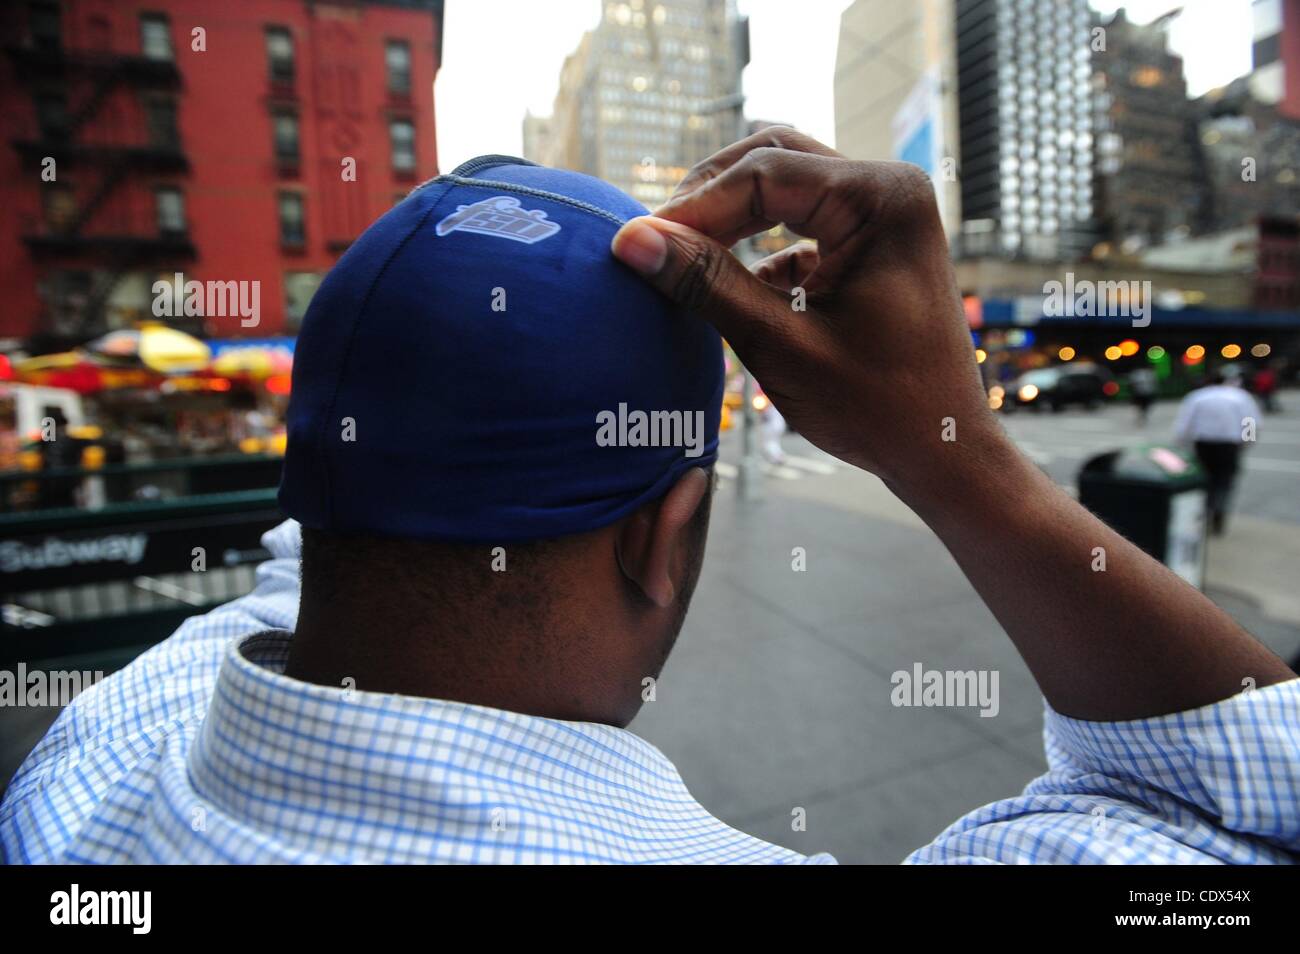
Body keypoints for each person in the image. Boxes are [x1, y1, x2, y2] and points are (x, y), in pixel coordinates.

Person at [2, 135, 1297, 865]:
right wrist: (958, 454)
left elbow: (313, 551)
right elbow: (1246, 807)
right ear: (663, 537)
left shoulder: (103, 742)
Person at [1174, 370, 1260, 535]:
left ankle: (1204, 512)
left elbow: (1185, 424)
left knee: (1204, 480)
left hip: (1203, 445)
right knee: (1224, 481)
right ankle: (1219, 513)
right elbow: (1250, 422)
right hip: (1229, 445)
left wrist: (1182, 444)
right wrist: (1246, 443)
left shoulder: (1197, 397)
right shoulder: (1240, 397)